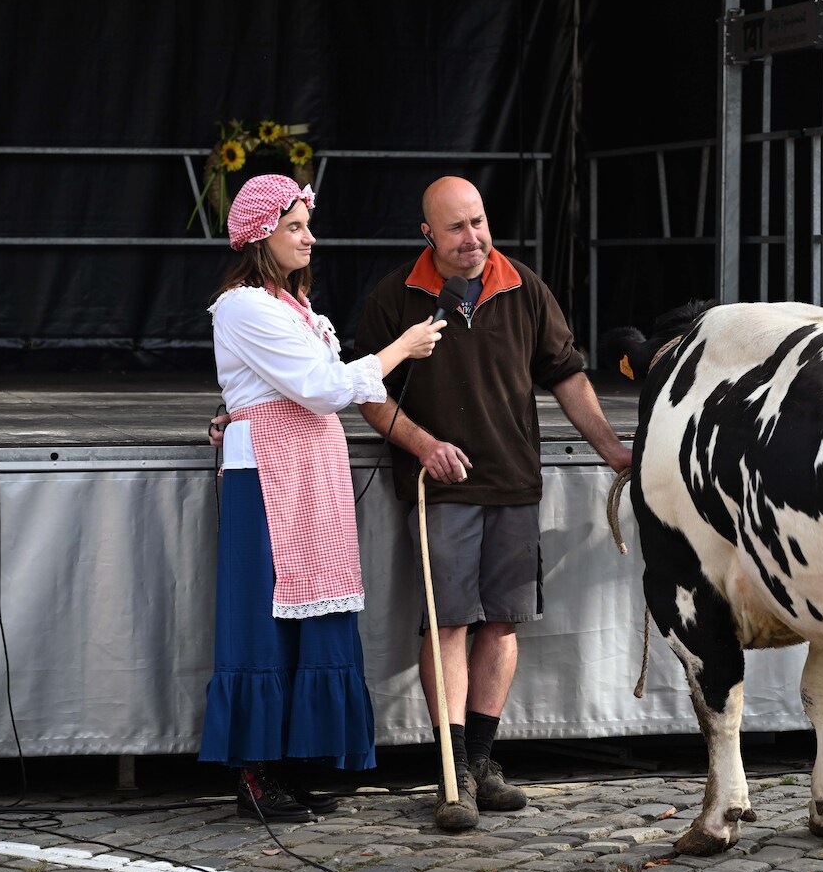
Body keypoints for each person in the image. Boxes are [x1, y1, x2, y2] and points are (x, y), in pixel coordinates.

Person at [356, 175, 633, 832]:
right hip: (442, 486)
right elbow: (367, 391)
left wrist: (612, 451)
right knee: (448, 623)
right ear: (427, 232)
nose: (472, 238)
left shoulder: (523, 285)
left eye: (478, 222)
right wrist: (422, 444)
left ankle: (480, 765)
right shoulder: (396, 296)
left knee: (502, 622)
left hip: (513, 479)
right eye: (455, 228)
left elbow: (566, 373)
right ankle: (451, 778)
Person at [199, 174, 445, 822]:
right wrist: (401, 347)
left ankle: (295, 761)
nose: (310, 238)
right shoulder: (243, 306)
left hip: (311, 474)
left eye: (308, 225)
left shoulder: (297, 310)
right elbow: (321, 387)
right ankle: (255, 771)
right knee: (265, 616)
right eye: (294, 227)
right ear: (260, 235)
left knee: (312, 613)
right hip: (270, 480)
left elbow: (294, 384)